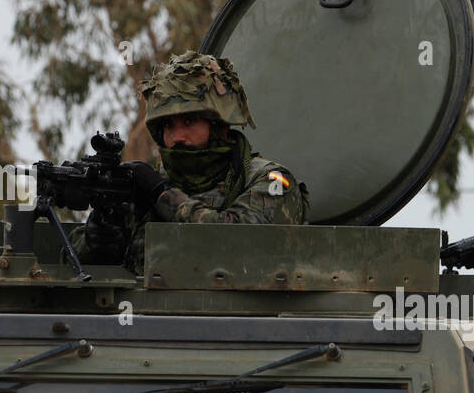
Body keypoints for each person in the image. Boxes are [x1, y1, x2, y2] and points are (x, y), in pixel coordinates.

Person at [76, 52, 308, 270]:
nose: (177, 137)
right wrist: (95, 243)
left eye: (189, 122)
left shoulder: (272, 182)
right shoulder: (146, 188)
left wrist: (163, 195)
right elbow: (72, 263)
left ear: (220, 126)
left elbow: (238, 242)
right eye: (168, 126)